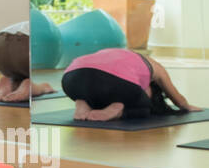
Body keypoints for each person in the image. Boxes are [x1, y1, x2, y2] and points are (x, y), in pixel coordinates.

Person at [61, 48, 200, 121]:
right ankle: (118, 112)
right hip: (110, 80)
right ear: (151, 85)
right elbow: (178, 99)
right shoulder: (153, 66)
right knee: (145, 106)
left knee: (102, 91)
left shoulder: (117, 54)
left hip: (70, 80)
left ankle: (83, 102)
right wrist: (186, 106)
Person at [0, 21, 56, 103]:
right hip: (24, 44)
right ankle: (40, 87)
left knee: (18, 73)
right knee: (28, 72)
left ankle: (12, 84)